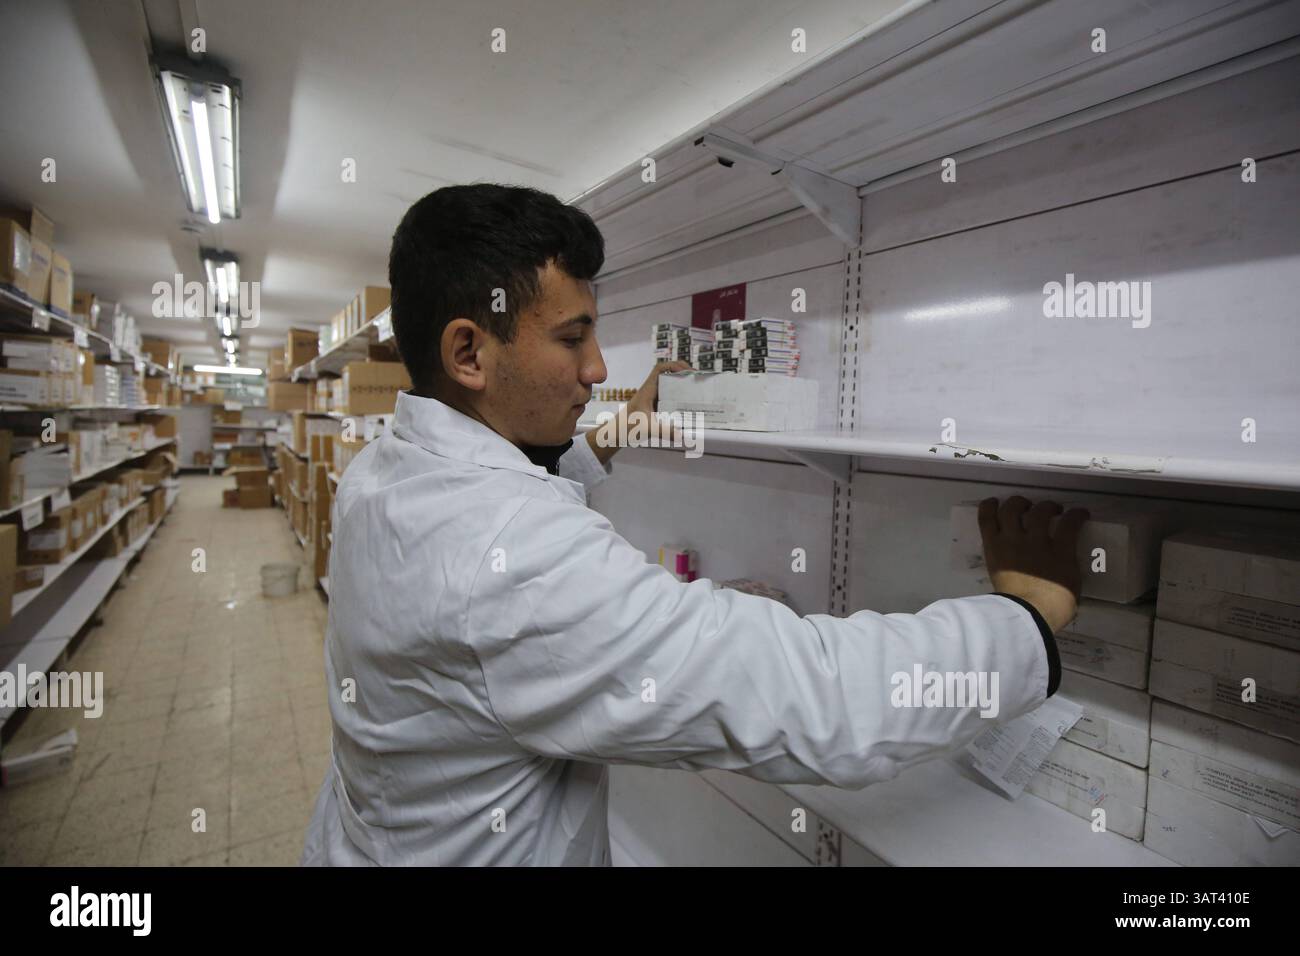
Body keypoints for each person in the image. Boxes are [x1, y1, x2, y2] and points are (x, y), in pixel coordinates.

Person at [301, 183, 1087, 866]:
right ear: (469, 352)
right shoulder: (519, 567)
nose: (599, 369)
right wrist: (1023, 622)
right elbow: (810, 695)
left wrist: (605, 437)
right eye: (572, 338)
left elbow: (490, 501)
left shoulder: (386, 467)